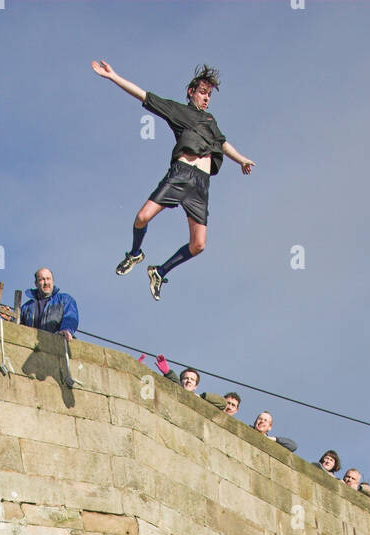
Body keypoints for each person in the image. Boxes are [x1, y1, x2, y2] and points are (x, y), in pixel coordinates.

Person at [92, 59, 255, 300]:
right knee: (142, 217)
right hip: (181, 174)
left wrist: (241, 159)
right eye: (202, 93)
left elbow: (222, 144)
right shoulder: (179, 111)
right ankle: (135, 253)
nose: (206, 98)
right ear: (191, 92)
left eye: (209, 94)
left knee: (199, 244)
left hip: (201, 184)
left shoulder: (211, 121)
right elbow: (144, 96)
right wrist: (113, 76)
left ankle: (159, 272)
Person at [17, 267, 78, 339]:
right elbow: (18, 325)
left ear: (53, 281)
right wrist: (9, 319)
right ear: (36, 283)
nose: (46, 283)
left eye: (48, 279)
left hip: (56, 345)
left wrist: (66, 330)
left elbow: (70, 318)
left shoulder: (65, 300)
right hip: (30, 346)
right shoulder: (26, 307)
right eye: (41, 280)